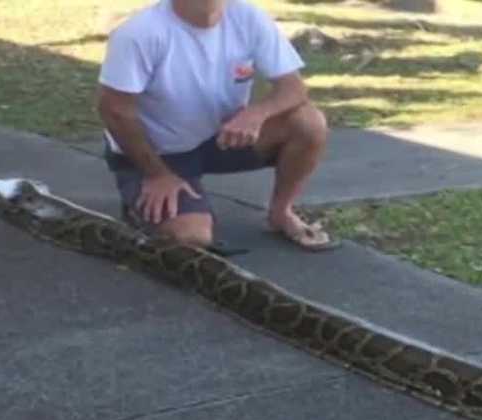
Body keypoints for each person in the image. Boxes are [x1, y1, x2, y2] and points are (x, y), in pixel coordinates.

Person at [97, 0, 338, 251]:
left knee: (309, 123)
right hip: (157, 153)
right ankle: (140, 205)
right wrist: (157, 174)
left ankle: (280, 213)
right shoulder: (140, 32)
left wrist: (256, 114)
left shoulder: (247, 16)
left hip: (220, 138)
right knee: (191, 239)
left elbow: (294, 88)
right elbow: (115, 112)